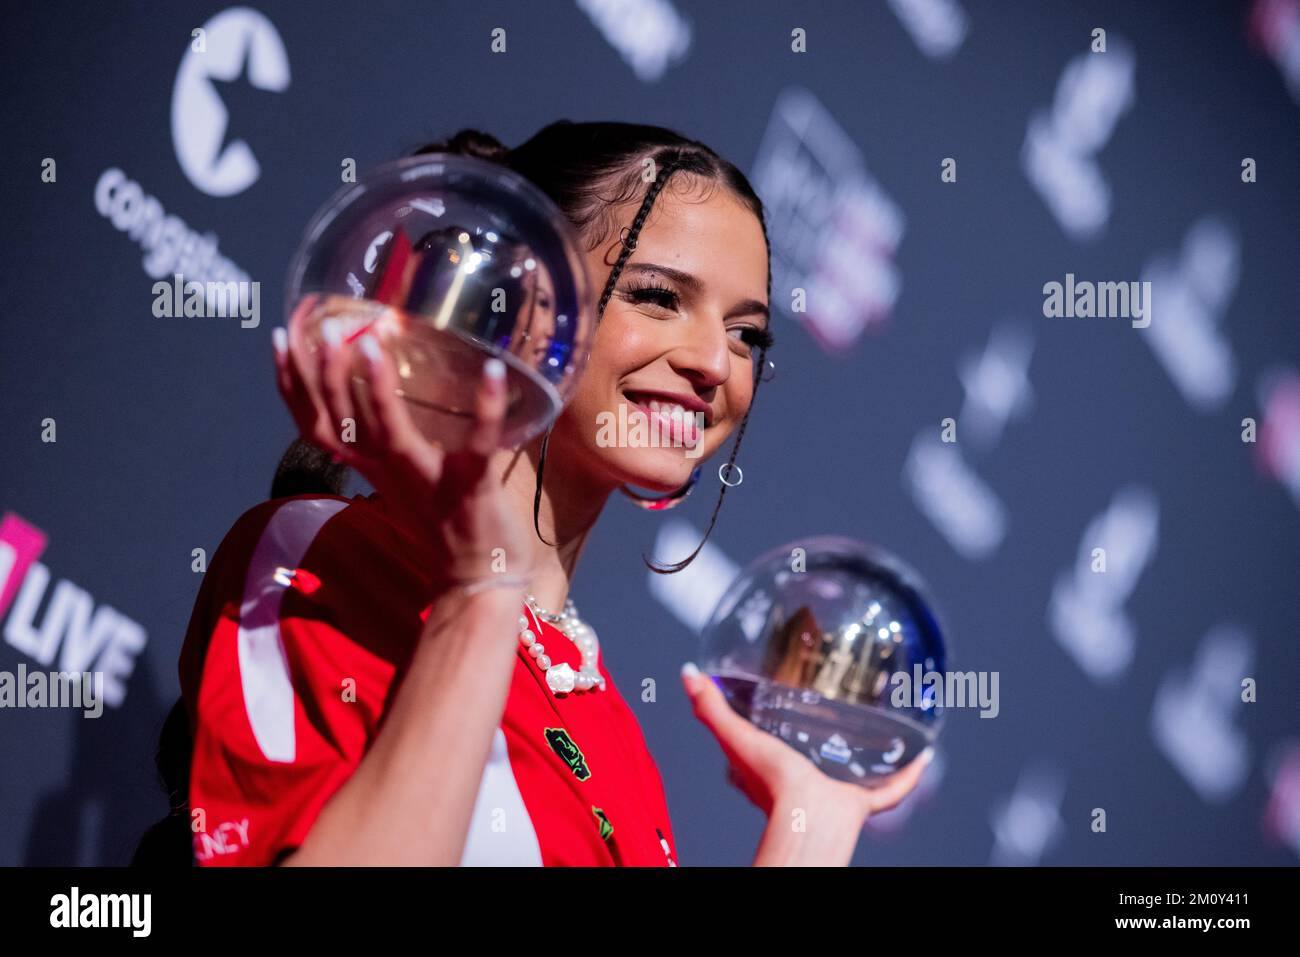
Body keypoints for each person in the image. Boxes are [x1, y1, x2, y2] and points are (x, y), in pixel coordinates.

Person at [155, 121, 930, 868]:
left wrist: (814, 819)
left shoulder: (612, 726)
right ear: (517, 301)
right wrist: (479, 598)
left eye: (746, 335)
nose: (714, 363)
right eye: (658, 296)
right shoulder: (322, 558)